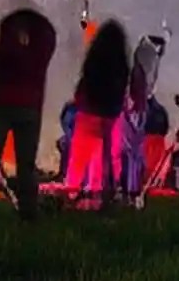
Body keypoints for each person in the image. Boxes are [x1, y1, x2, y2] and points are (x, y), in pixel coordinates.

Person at [0, 8, 57, 225]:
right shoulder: (45, 35)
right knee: (25, 167)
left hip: (5, 106)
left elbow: (2, 67)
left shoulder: (12, 26)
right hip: (30, 108)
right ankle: (28, 217)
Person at [64, 20, 130, 208]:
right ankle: (98, 198)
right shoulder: (121, 66)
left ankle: (70, 197)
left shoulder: (94, 61)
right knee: (100, 162)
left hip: (88, 113)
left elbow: (82, 87)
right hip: (110, 118)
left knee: (78, 160)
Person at [116, 34, 165, 197]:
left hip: (129, 123)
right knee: (133, 158)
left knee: (129, 157)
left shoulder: (131, 90)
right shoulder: (142, 91)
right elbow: (153, 77)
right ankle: (132, 191)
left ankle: (128, 190)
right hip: (135, 123)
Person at [142, 94, 170, 186]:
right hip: (157, 137)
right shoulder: (160, 109)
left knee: (150, 162)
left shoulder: (147, 109)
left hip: (149, 137)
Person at [57, 99, 77, 181]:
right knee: (64, 143)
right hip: (71, 137)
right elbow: (64, 122)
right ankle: (63, 172)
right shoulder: (70, 106)